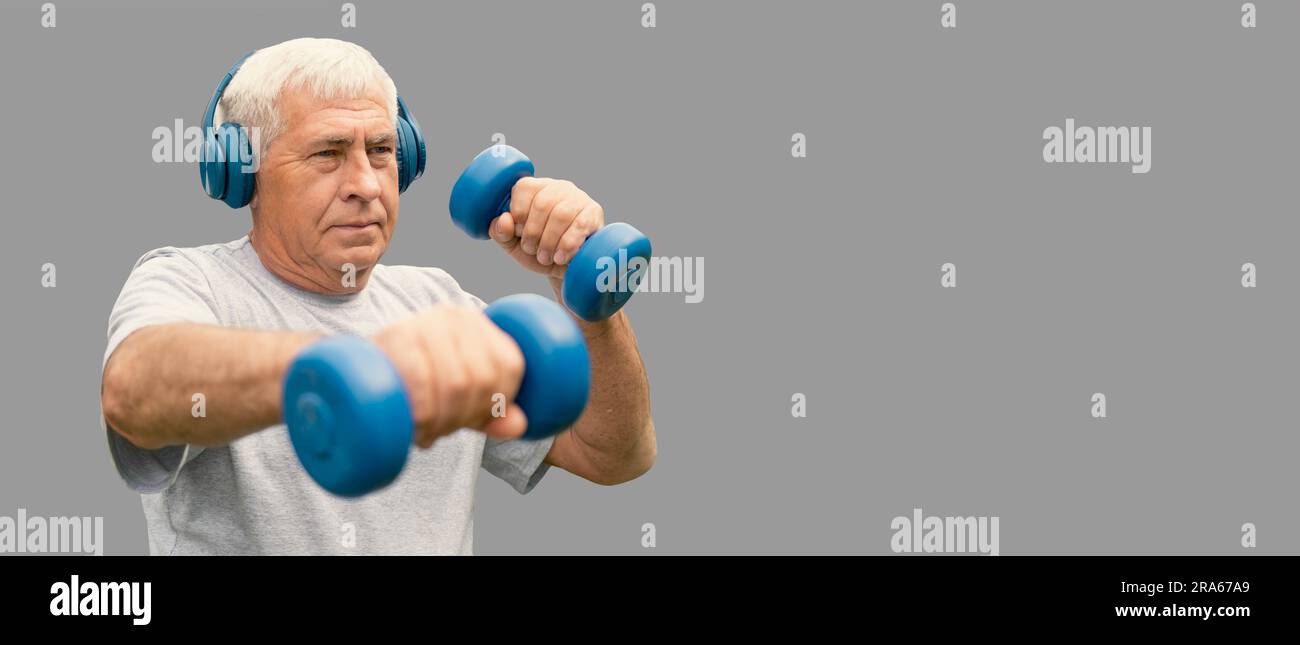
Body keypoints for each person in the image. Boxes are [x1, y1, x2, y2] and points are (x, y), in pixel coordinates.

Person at [98, 38, 655, 555]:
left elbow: (615, 456)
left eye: (382, 150)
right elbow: (134, 393)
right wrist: (342, 367)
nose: (366, 183)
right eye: (328, 154)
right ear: (243, 171)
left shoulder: (439, 302)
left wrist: (585, 298)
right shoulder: (190, 284)